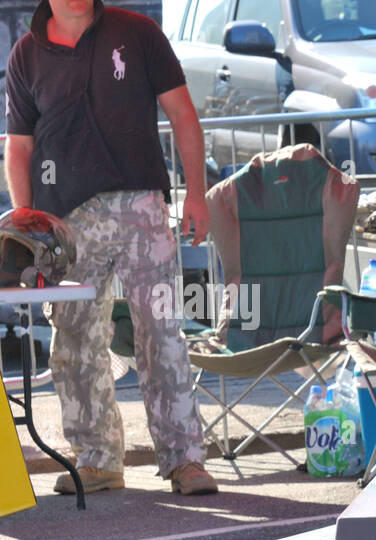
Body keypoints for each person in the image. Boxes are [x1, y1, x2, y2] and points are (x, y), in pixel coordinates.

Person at [4, 0, 217, 495]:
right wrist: (28, 225)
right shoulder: (25, 55)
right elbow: (19, 146)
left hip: (142, 204)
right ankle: (97, 460)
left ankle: (185, 460)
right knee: (75, 340)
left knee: (161, 332)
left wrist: (197, 195)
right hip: (67, 220)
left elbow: (183, 115)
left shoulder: (138, 32)